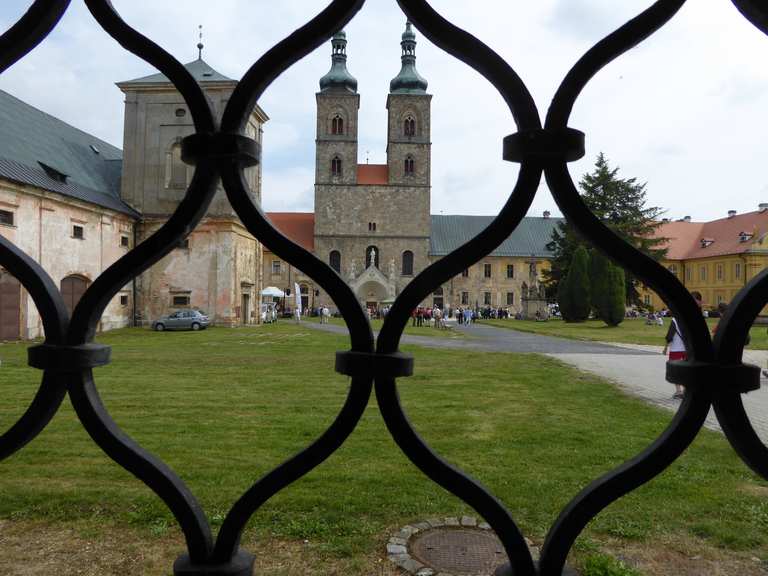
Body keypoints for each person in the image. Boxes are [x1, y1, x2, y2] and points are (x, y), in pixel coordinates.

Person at [662, 291, 703, 399]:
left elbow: (670, 335)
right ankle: (686, 390)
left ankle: (678, 391)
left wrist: (666, 346)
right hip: (687, 349)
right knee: (687, 369)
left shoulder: (675, 320)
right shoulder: (692, 319)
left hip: (676, 348)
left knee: (676, 370)